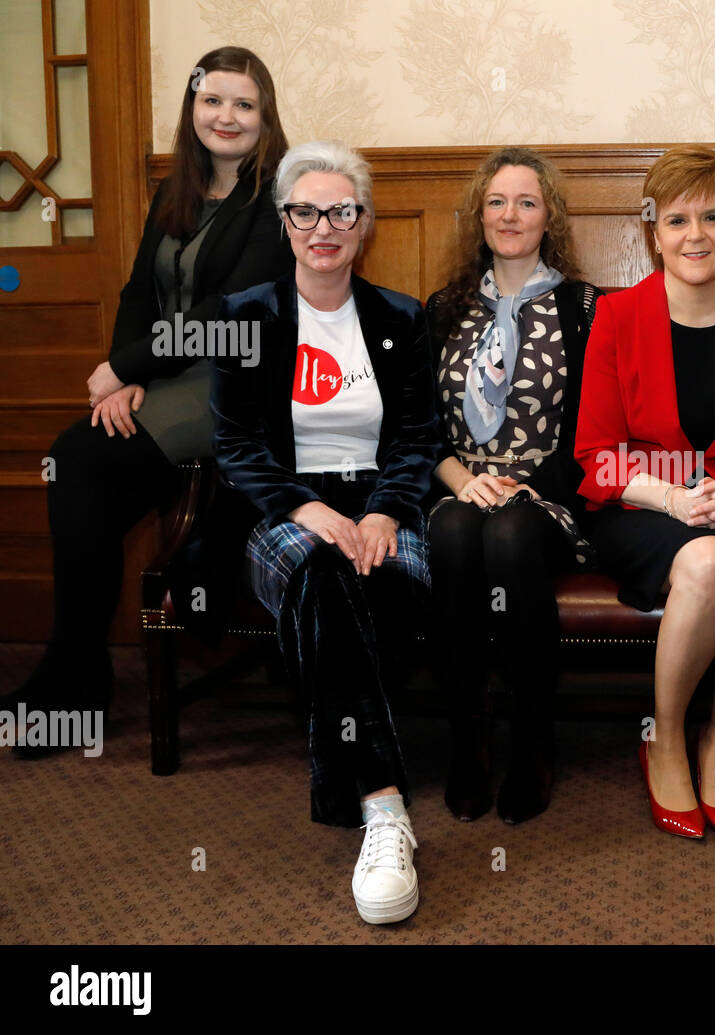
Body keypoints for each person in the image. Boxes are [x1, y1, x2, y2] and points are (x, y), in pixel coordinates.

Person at [3, 47, 291, 755]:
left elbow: (232, 313)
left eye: (244, 105)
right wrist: (126, 373)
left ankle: (74, 679)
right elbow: (138, 292)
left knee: (78, 459)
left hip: (238, 382)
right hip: (166, 376)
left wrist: (125, 366)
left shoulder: (280, 195)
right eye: (211, 101)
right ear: (192, 110)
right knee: (81, 474)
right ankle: (76, 674)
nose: (226, 116)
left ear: (265, 116)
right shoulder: (177, 189)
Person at [211, 141, 444, 925]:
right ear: (285, 221)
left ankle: (357, 789)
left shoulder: (400, 318)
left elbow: (418, 437)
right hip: (287, 509)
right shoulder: (245, 318)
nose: (324, 226)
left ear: (363, 223)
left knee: (364, 581)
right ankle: (383, 807)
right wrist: (304, 509)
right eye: (306, 210)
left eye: (341, 211)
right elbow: (235, 444)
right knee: (321, 572)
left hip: (384, 504)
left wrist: (382, 510)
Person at [575, 146, 715, 839]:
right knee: (710, 559)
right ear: (653, 232)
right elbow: (594, 459)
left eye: (713, 216)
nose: (695, 234)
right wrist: (676, 499)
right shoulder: (617, 316)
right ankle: (666, 735)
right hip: (644, 505)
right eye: (676, 220)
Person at [424, 147, 601, 825]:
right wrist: (463, 481)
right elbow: (417, 426)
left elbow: (592, 429)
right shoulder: (444, 308)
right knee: (453, 527)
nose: (510, 214)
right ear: (479, 214)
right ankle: (468, 740)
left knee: (509, 529)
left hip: (545, 496)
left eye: (526, 201)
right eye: (497, 201)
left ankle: (531, 740)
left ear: (548, 215)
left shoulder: (585, 307)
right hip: (457, 485)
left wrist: (527, 487)